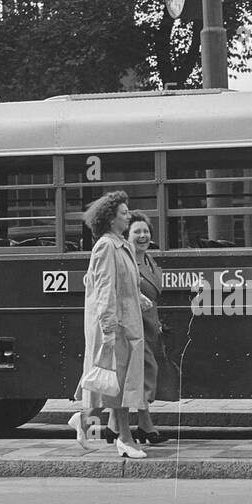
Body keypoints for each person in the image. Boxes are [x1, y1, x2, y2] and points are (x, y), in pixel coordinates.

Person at [67, 191, 149, 459]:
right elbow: (104, 289)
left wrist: (141, 298)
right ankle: (124, 439)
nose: (128, 216)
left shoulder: (121, 245)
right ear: (110, 218)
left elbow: (125, 284)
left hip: (127, 325)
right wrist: (109, 328)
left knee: (121, 384)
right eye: (124, 213)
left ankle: (85, 419)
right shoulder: (105, 246)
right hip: (116, 327)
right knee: (119, 384)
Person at [127, 209, 170, 444]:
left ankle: (117, 425)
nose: (142, 235)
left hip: (150, 325)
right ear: (127, 235)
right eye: (137, 231)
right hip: (134, 327)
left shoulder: (149, 260)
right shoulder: (127, 261)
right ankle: (144, 425)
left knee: (141, 374)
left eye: (146, 231)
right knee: (145, 373)